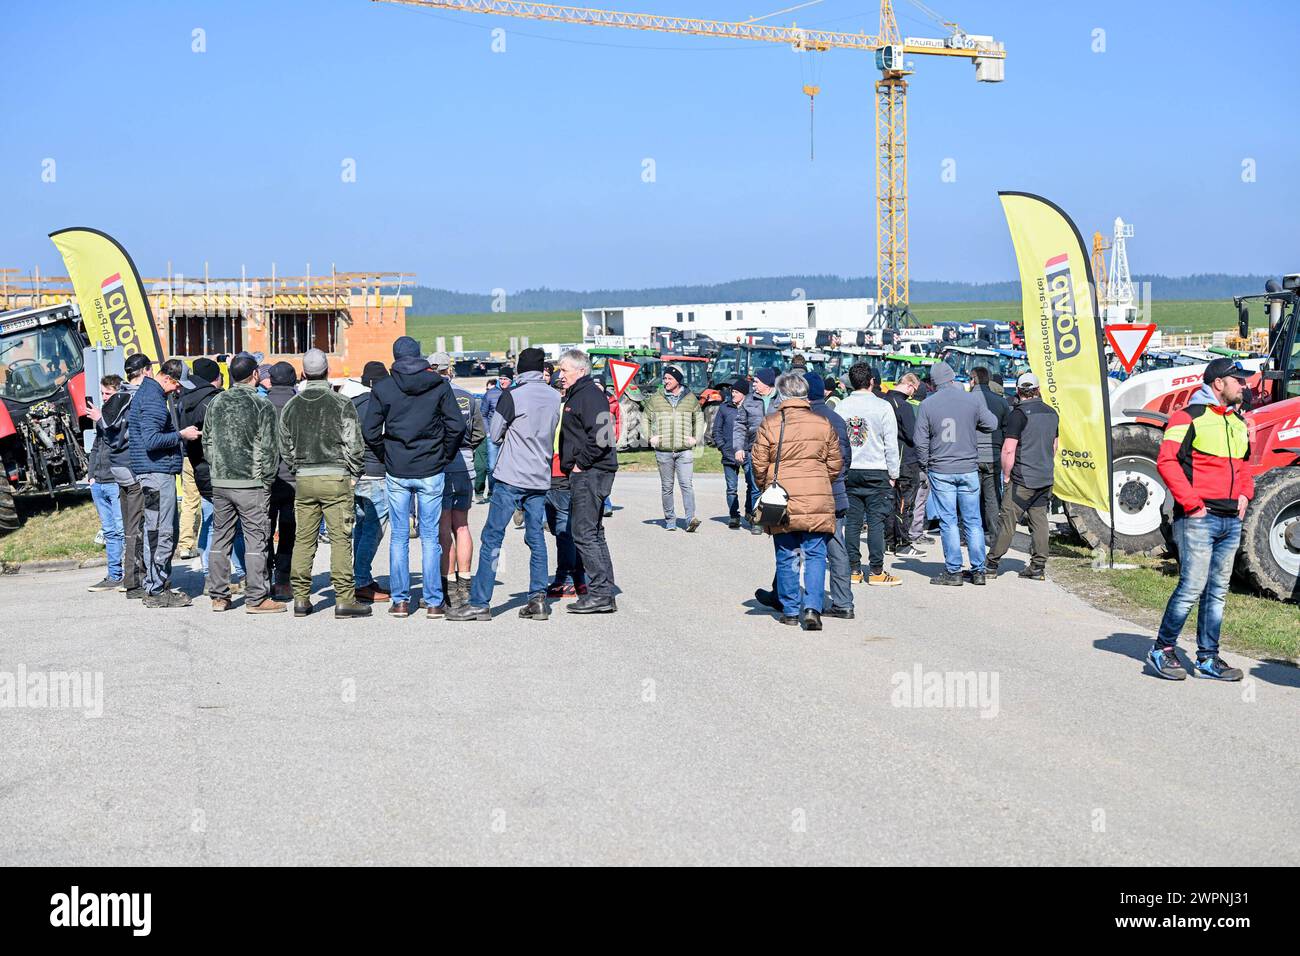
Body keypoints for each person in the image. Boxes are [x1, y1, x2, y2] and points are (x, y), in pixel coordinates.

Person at [1146, 359, 1254, 682]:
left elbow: (1245, 464)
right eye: (1238, 380)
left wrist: (1246, 495)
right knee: (1193, 585)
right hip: (1198, 517)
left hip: (1230, 519)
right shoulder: (1187, 417)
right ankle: (1162, 649)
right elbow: (1166, 462)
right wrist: (1192, 505)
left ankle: (1208, 658)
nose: (1244, 386)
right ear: (1218, 383)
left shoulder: (1237, 422)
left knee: (1218, 589)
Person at [448, 348, 560, 622]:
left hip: (511, 476)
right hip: (540, 476)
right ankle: (538, 599)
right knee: (536, 538)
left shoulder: (513, 395)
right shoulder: (555, 396)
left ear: (521, 369)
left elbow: (495, 434)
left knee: (492, 538)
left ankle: (480, 602)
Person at [362, 336, 466, 619]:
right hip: (431, 467)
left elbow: (370, 430)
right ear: (419, 355)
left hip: (398, 467)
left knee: (398, 537)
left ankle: (400, 601)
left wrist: (387, 455)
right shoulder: (439, 385)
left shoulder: (384, 387)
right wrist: (443, 454)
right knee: (431, 537)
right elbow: (456, 426)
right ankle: (433, 601)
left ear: (394, 356)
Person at [279, 348, 370, 619]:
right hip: (336, 476)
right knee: (341, 538)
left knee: (304, 539)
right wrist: (355, 472)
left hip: (305, 478)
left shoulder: (292, 406)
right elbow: (355, 442)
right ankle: (344, 598)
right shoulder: (341, 403)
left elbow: (285, 445)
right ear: (328, 370)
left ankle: (301, 597)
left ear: (304, 373)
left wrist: (297, 467)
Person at [751, 371, 843, 630]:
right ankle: (813, 607)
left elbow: (758, 463)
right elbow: (836, 463)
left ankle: (791, 610)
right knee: (815, 554)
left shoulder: (771, 423)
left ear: (781, 394)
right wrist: (820, 481)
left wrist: (765, 486)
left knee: (787, 554)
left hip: (782, 499)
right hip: (817, 497)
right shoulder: (823, 424)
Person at [202, 353, 284, 613]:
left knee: (220, 538)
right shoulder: (262, 405)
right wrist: (266, 479)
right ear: (256, 375)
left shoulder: (217, 402)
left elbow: (207, 442)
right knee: (256, 539)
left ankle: (219, 596)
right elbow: (271, 449)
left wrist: (218, 466)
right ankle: (257, 597)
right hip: (251, 482)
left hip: (222, 480)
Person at [914, 361, 997, 586]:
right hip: (968, 467)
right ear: (952, 377)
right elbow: (992, 424)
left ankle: (954, 571)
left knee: (948, 521)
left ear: (933, 382)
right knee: (973, 521)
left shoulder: (927, 405)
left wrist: (925, 465)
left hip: (941, 469)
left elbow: (920, 441)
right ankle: (979, 570)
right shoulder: (972, 400)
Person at [129, 357, 200, 608]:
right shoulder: (153, 401)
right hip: (156, 474)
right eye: (178, 385)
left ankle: (154, 585)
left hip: (153, 473)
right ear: (168, 378)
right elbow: (151, 440)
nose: (179, 390)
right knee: (161, 531)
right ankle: (156, 590)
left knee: (156, 529)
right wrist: (181, 434)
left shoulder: (150, 394)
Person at [556, 349, 618, 613]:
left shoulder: (590, 396)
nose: (560, 376)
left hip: (592, 472)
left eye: (564, 370)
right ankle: (603, 592)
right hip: (589, 471)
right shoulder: (579, 394)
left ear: (580, 371)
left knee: (583, 534)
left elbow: (603, 436)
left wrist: (581, 463)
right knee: (593, 533)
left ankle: (600, 595)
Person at [986, 372, 1059, 582]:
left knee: (1007, 521)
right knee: (1039, 521)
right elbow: (1054, 446)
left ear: (1018, 391)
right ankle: (1038, 567)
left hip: (1022, 478)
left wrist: (1006, 475)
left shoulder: (1018, 414)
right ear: (1037, 389)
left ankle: (992, 563)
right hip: (1045, 477)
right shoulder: (1051, 413)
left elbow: (1009, 449)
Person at [836, 364, 901, 587]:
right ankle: (876, 570)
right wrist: (894, 472)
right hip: (876, 467)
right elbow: (891, 443)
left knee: (852, 522)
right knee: (876, 522)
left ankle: (854, 568)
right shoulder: (882, 406)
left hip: (850, 468)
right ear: (872, 381)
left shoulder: (842, 407)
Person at [431, 352, 486, 608]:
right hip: (465, 463)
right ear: (450, 370)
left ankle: (448, 584)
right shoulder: (467, 397)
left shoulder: (429, 396)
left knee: (444, 527)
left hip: (440, 463)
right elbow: (478, 433)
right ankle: (465, 582)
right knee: (462, 525)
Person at [805, 372, 854, 618]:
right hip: (835, 491)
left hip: (807, 493)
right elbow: (846, 458)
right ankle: (843, 601)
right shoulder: (836, 418)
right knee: (837, 547)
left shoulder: (802, 419)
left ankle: (786, 596)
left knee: (793, 545)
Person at [645, 365, 705, 533]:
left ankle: (690, 518)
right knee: (667, 487)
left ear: (678, 380)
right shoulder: (656, 398)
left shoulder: (690, 398)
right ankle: (670, 519)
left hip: (684, 450)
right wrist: (650, 437)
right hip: (663, 451)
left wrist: (696, 438)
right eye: (664, 378)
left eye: (669, 378)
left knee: (687, 484)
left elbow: (699, 419)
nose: (666, 381)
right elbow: (645, 419)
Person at [351, 361, 390, 603]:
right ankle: (361, 579)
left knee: (361, 526)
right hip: (375, 471)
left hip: (354, 473)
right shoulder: (381, 404)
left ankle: (361, 576)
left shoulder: (353, 404)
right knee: (374, 529)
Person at [111, 353, 149, 598]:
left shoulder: (117, 395)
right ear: (144, 371)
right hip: (133, 467)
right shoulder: (138, 397)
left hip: (117, 467)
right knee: (137, 527)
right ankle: (134, 582)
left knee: (128, 527)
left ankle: (131, 578)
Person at [85, 375, 127, 592]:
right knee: (109, 532)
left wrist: (101, 418)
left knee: (122, 530)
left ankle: (129, 576)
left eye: (108, 393)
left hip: (115, 481)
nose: (104, 397)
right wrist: (91, 475)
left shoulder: (122, 412)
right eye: (102, 393)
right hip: (99, 482)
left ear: (118, 393)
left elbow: (118, 440)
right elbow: (96, 447)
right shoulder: (104, 416)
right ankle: (113, 575)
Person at [264, 362, 299, 600]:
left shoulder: (261, 403)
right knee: (289, 530)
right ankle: (284, 580)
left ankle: (263, 577)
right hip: (293, 478)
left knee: (263, 530)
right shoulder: (299, 404)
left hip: (265, 478)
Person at [733, 367, 782, 534]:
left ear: (767, 383)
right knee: (755, 486)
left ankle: (775, 519)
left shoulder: (781, 400)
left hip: (776, 451)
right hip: (753, 450)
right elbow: (739, 426)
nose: (753, 384)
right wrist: (739, 448)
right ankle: (757, 521)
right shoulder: (749, 400)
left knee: (773, 486)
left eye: (756, 381)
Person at [884, 372, 925, 558]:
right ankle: (903, 543)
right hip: (905, 460)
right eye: (914, 390)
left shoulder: (884, 401)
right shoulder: (904, 406)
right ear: (910, 386)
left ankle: (890, 542)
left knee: (891, 502)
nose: (913, 394)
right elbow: (911, 435)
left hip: (886, 459)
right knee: (905, 504)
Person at [970, 366, 1010, 541]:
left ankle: (969, 535)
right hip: (994, 455)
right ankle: (994, 535)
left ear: (974, 379)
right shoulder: (1001, 402)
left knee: (970, 497)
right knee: (992, 498)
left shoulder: (967, 400)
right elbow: (1008, 429)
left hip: (972, 455)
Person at [712, 378, 750, 529]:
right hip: (728, 453)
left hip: (747, 453)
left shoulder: (751, 408)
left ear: (744, 394)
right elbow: (716, 430)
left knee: (751, 485)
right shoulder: (724, 408)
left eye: (736, 392)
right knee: (731, 488)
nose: (733, 394)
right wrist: (722, 446)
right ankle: (734, 516)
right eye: (732, 391)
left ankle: (749, 512)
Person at [480, 366, 512, 501]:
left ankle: (508, 493)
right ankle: (493, 491)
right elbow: (483, 414)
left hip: (510, 437)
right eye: (501, 379)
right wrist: (488, 432)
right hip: (493, 437)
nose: (502, 381)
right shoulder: (491, 394)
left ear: (511, 380)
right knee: (492, 466)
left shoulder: (515, 392)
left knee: (510, 467)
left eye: (505, 379)